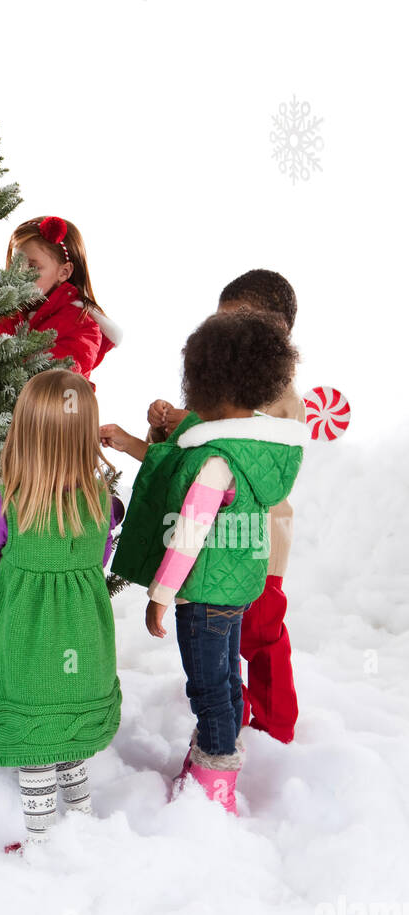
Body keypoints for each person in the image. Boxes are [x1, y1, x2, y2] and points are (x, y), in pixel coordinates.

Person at [102, 311, 304, 816]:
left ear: (206, 383)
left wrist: (160, 595)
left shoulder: (214, 459)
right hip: (239, 587)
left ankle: (215, 787)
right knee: (227, 680)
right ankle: (220, 754)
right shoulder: (257, 448)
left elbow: (188, 534)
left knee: (209, 687)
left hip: (203, 595)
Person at [0, 369, 122, 850]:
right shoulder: (101, 502)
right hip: (81, 644)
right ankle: (83, 828)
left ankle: (41, 846)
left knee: (36, 750)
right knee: (69, 739)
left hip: (26, 648)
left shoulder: (9, 504)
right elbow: (100, 558)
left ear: (24, 434)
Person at [145, 270, 306, 743]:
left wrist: (192, 422)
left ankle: (276, 723)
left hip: (260, 542)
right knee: (224, 634)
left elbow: (243, 435)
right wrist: (167, 425)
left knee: (261, 633)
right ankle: (233, 710)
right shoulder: (228, 387)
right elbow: (194, 450)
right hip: (220, 544)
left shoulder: (282, 397)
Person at [0, 215, 121, 384]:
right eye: (16, 264)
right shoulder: (8, 313)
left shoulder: (82, 326)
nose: (19, 274)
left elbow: (57, 380)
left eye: (33, 267)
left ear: (64, 272)